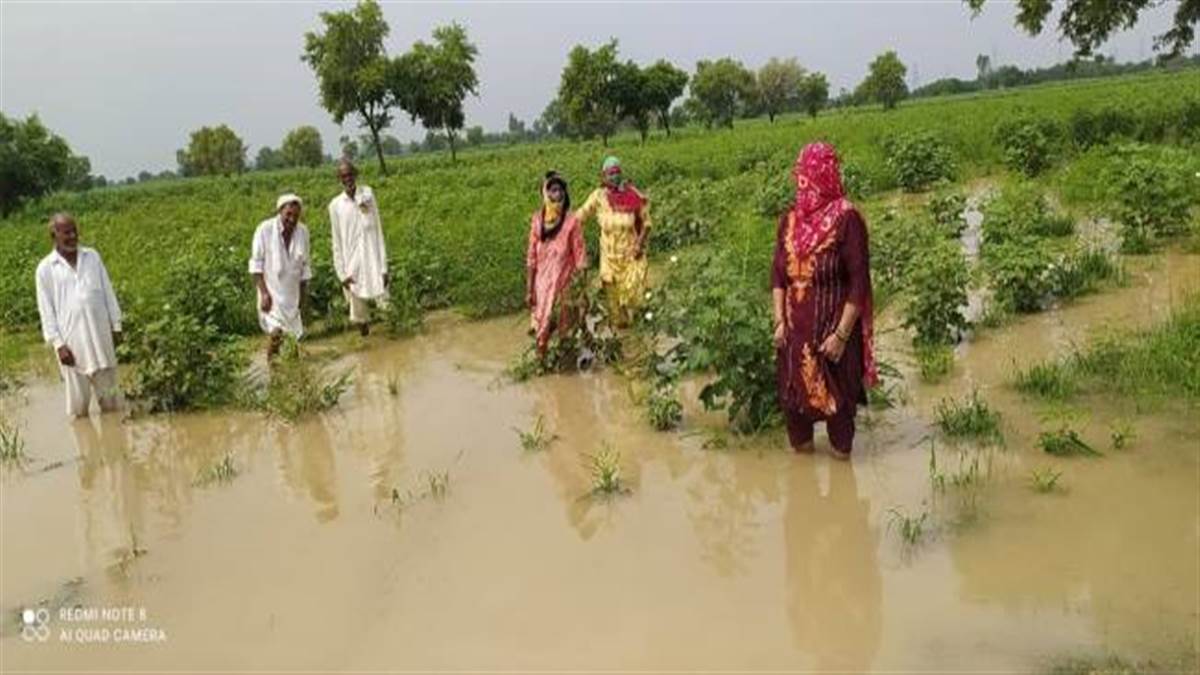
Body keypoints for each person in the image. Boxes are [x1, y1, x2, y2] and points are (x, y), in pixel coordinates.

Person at [772, 142, 877, 459]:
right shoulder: (789, 221)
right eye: (801, 176)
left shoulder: (848, 220)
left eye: (810, 176)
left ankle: (844, 500)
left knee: (839, 418)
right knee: (796, 417)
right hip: (794, 339)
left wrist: (842, 336)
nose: (804, 184)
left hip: (833, 342)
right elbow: (778, 276)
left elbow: (859, 284)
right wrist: (779, 322)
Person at [35, 213, 124, 417]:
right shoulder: (45, 269)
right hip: (72, 347)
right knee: (78, 411)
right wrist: (59, 345)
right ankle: (85, 447)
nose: (73, 236)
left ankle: (116, 447)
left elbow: (107, 291)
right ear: (54, 235)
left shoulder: (92, 256)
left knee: (112, 405)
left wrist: (116, 326)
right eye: (67, 232)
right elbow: (46, 310)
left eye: (75, 231)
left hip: (101, 339)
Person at [574, 156, 651, 327]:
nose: (614, 177)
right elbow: (579, 217)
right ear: (603, 176)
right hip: (609, 260)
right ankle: (625, 342)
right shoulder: (598, 196)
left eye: (617, 172)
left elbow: (646, 224)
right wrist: (558, 227)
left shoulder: (633, 195)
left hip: (631, 256)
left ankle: (641, 339)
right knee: (618, 317)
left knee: (636, 303)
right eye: (610, 173)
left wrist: (639, 244)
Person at [525, 171, 586, 358]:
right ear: (545, 194)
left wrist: (582, 290)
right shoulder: (537, 221)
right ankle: (541, 362)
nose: (557, 195)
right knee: (543, 327)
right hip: (542, 286)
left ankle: (565, 361)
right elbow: (531, 258)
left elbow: (580, 257)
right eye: (552, 190)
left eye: (560, 190)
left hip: (565, 285)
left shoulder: (572, 221)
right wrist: (529, 290)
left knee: (565, 327)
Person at [329, 159, 389, 337]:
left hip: (374, 259)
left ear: (356, 175)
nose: (348, 179)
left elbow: (378, 229)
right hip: (352, 266)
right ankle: (366, 342)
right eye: (344, 176)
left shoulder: (368, 195)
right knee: (359, 314)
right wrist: (342, 274)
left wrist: (384, 267)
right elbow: (337, 242)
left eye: (350, 174)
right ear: (339, 179)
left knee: (386, 305)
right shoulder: (335, 205)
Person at [249, 194, 313, 359]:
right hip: (272, 293)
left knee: (291, 340)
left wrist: (303, 297)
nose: (292, 219)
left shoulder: (303, 231)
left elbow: (305, 267)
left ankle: (291, 375)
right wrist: (263, 293)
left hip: (292, 295)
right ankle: (271, 367)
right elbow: (256, 266)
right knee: (276, 334)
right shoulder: (265, 229)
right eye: (288, 215)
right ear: (280, 212)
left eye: (296, 216)